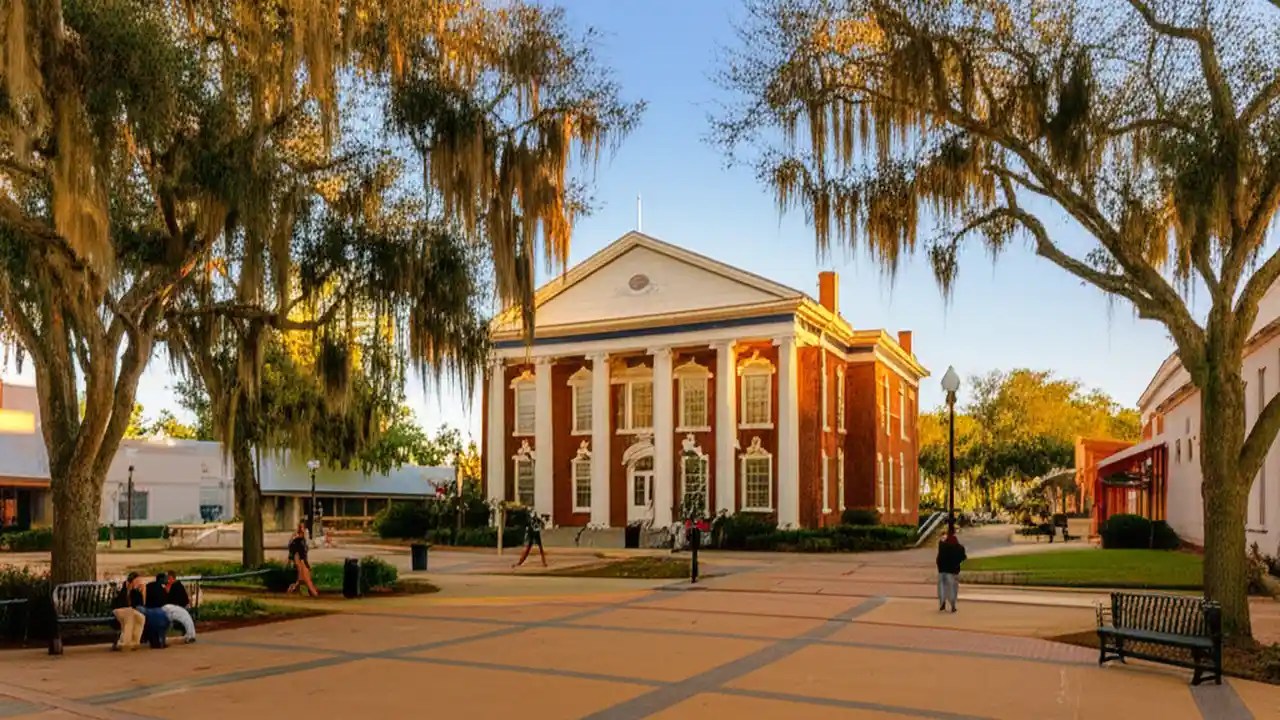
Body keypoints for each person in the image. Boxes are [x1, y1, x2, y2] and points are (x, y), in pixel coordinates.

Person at [110, 573, 145, 651]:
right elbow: (118, 603)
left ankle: (134, 641)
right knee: (130, 615)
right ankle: (125, 643)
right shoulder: (122, 589)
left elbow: (141, 604)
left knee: (140, 617)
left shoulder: (135, 593)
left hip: (130, 611)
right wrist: (127, 589)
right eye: (136, 581)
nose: (138, 583)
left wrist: (143, 591)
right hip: (119, 610)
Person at [935, 531, 967, 613]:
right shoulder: (959, 547)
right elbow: (963, 557)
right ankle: (952, 605)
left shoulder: (942, 546)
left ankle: (943, 603)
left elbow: (939, 558)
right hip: (953, 571)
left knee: (943, 588)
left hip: (943, 570)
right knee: (952, 588)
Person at [161, 571, 197, 644]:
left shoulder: (175, 586)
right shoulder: (178, 585)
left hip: (180, 609)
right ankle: (189, 635)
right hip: (182, 609)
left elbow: (171, 601)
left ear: (171, 578)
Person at [287, 523, 320, 596]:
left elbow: (301, 553)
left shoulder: (302, 540)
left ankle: (293, 590)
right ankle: (314, 593)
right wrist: (300, 563)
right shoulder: (298, 540)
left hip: (302, 561)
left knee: (301, 580)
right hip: (301, 561)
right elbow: (296, 553)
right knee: (307, 579)